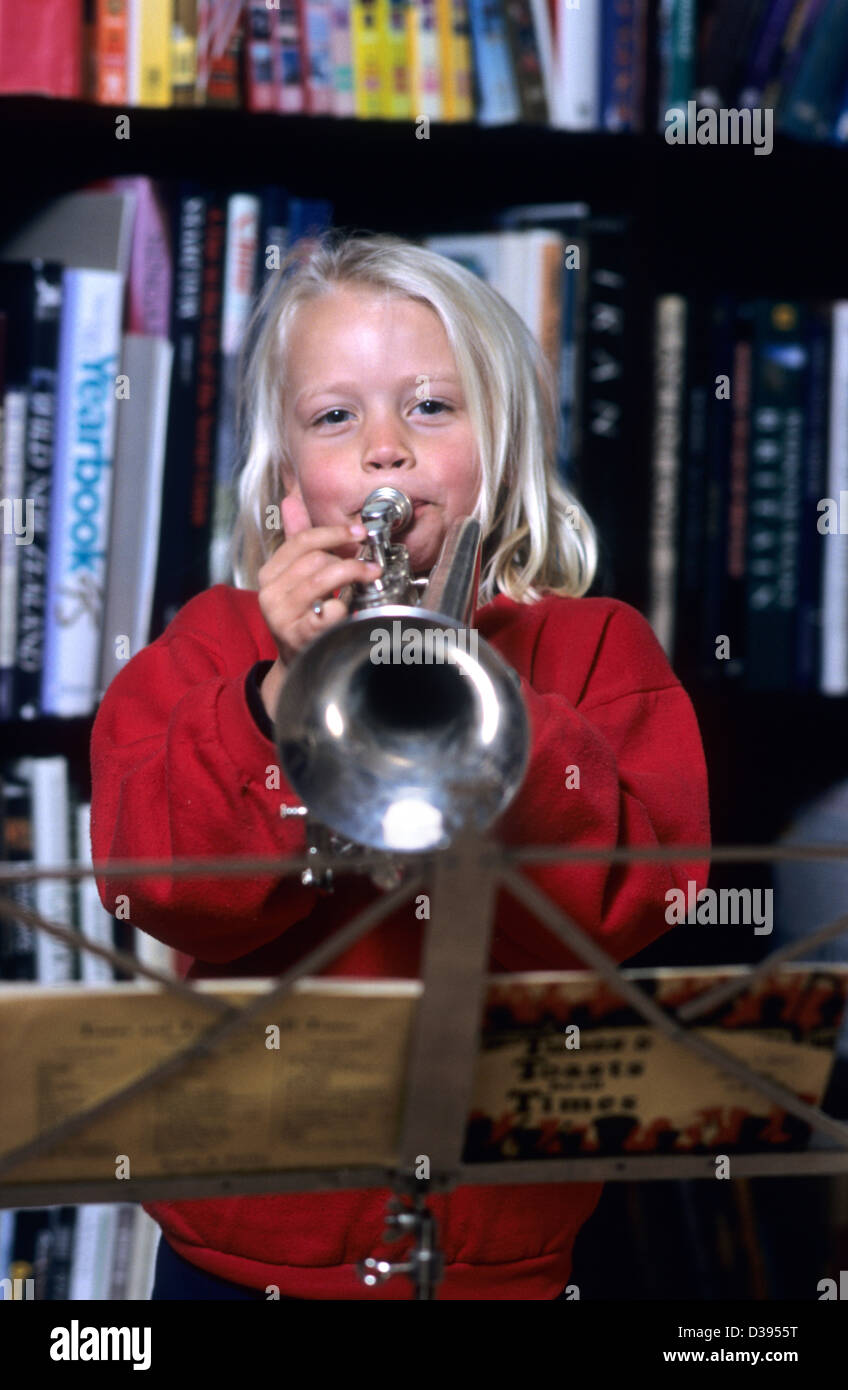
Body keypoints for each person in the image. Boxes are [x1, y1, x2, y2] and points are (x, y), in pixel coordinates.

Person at [90, 230, 711, 1300]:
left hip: (498, 1252)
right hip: (237, 1249)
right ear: (287, 477)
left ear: (503, 441)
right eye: (335, 416)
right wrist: (281, 692)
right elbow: (158, 885)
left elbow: (627, 906)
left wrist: (484, 703)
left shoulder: (595, 647)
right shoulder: (211, 643)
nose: (385, 449)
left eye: (429, 405)